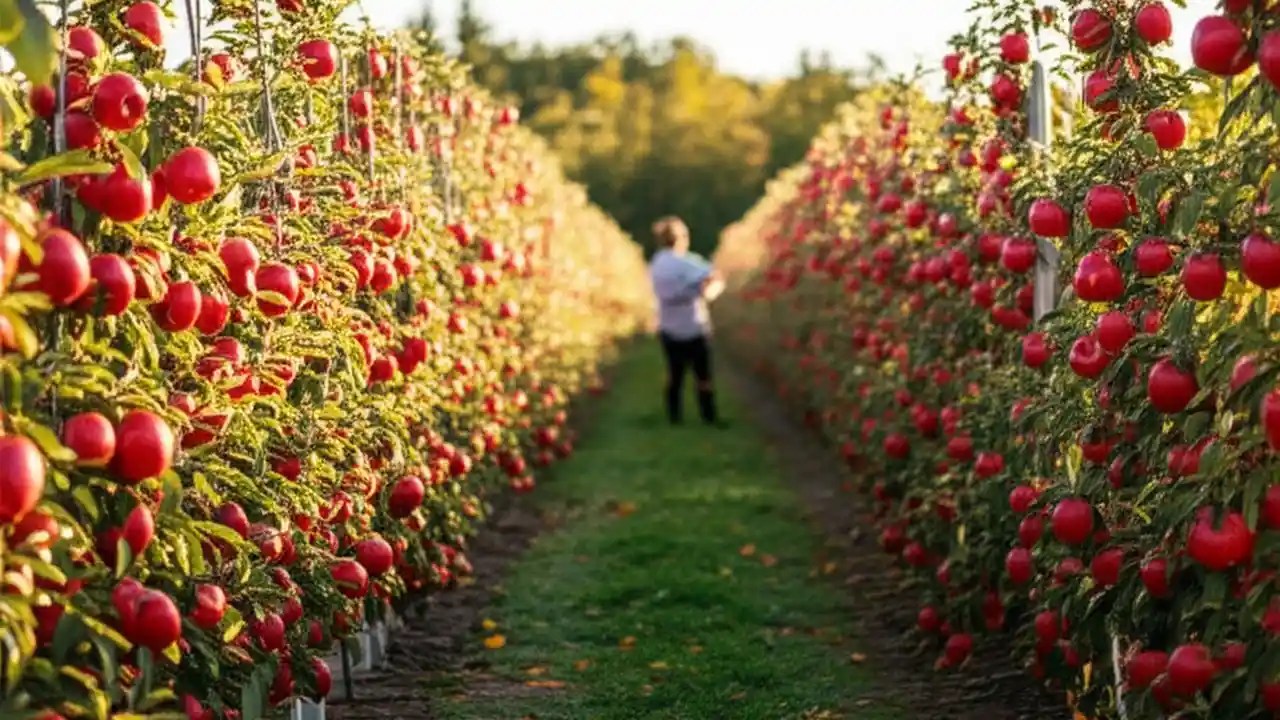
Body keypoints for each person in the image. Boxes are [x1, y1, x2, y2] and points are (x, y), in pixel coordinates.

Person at [647, 216, 725, 426]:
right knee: (703, 376)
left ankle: (675, 418)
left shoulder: (656, 265)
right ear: (681, 238)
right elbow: (713, 276)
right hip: (694, 324)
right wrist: (706, 291)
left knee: (675, 374)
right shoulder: (686, 262)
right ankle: (708, 417)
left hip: (669, 326)